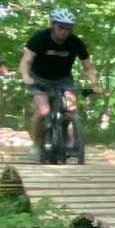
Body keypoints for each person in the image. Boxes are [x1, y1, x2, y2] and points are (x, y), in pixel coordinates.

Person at [20, 9, 100, 149]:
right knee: (43, 111)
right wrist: (25, 76)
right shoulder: (40, 38)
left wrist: (95, 83)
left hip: (63, 78)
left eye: (68, 28)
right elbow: (26, 61)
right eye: (61, 27)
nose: (64, 31)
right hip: (39, 78)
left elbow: (88, 67)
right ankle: (37, 144)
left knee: (71, 108)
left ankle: (71, 141)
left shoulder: (75, 43)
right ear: (53, 25)